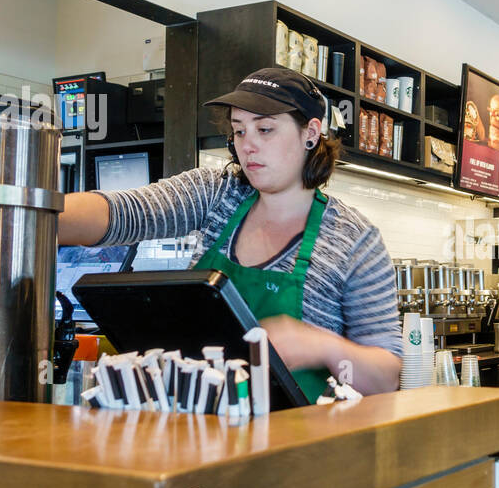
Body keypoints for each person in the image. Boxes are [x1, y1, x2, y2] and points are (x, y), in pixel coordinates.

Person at [58, 67, 404, 398]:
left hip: (300, 446)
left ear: (311, 133)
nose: (248, 145)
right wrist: (29, 212)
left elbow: (386, 378)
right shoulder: (216, 193)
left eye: (264, 130)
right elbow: (119, 214)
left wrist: (323, 346)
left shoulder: (355, 240)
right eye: (239, 130)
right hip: (200, 434)